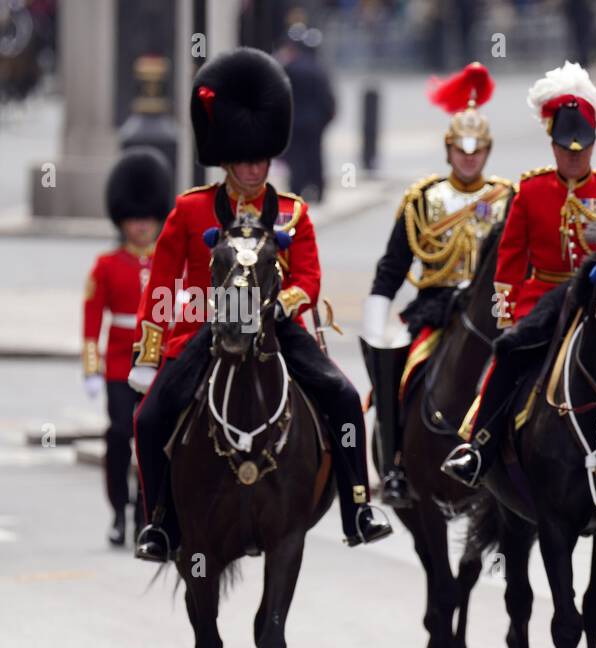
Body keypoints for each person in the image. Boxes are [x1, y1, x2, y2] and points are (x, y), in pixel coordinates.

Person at [131, 47, 391, 563]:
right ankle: (158, 522)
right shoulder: (191, 209)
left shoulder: (293, 213)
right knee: (149, 416)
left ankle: (357, 508)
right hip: (211, 327)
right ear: (227, 157)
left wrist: (282, 305)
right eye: (245, 159)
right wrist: (152, 345)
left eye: (262, 159)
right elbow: (163, 280)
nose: (254, 168)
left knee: (342, 398)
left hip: (275, 326)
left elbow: (310, 278)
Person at [441, 62, 596, 487]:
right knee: (509, 354)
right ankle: (480, 444)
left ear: (593, 144)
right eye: (566, 151)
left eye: (581, 150)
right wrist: (507, 314)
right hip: (542, 297)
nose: (573, 157)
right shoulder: (530, 191)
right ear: (552, 147)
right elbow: (508, 262)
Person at [361, 62, 513, 507]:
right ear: (449, 150)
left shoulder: (506, 199)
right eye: (461, 150)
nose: (469, 158)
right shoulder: (423, 199)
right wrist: (375, 323)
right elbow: (392, 267)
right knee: (396, 371)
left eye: (477, 150)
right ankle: (393, 467)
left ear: (486, 151)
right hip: (434, 312)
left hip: (492, 314)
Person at [83, 148, 172, 547]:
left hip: (158, 362)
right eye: (134, 219)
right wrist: (91, 367)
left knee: (153, 439)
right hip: (120, 363)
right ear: (122, 220)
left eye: (148, 219)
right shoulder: (106, 265)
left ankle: (144, 511)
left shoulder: (168, 263)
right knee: (120, 434)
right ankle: (119, 511)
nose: (141, 227)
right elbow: (91, 321)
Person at [278, 21, 336, 203]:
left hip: (294, 123)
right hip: (315, 123)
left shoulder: (288, 68)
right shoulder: (318, 69)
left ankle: (295, 192)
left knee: (296, 160)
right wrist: (324, 121)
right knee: (315, 158)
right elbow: (328, 101)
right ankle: (318, 190)